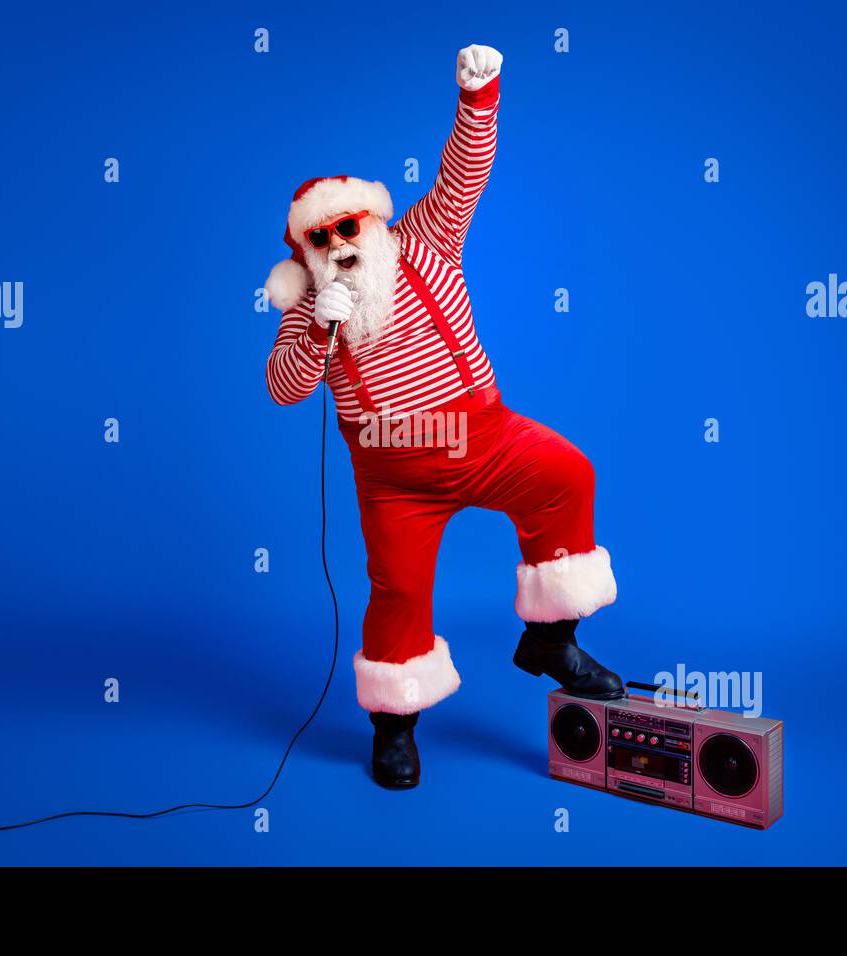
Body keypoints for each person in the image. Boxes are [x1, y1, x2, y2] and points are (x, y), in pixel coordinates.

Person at [264, 44, 621, 789]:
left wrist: (477, 95)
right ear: (306, 252)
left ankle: (550, 642)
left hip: (484, 436)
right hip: (393, 472)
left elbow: (463, 173)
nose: (341, 246)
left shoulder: (427, 241)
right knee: (397, 595)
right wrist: (318, 328)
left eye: (350, 227)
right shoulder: (306, 310)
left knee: (566, 475)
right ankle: (394, 731)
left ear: (375, 223)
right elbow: (284, 389)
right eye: (322, 239)